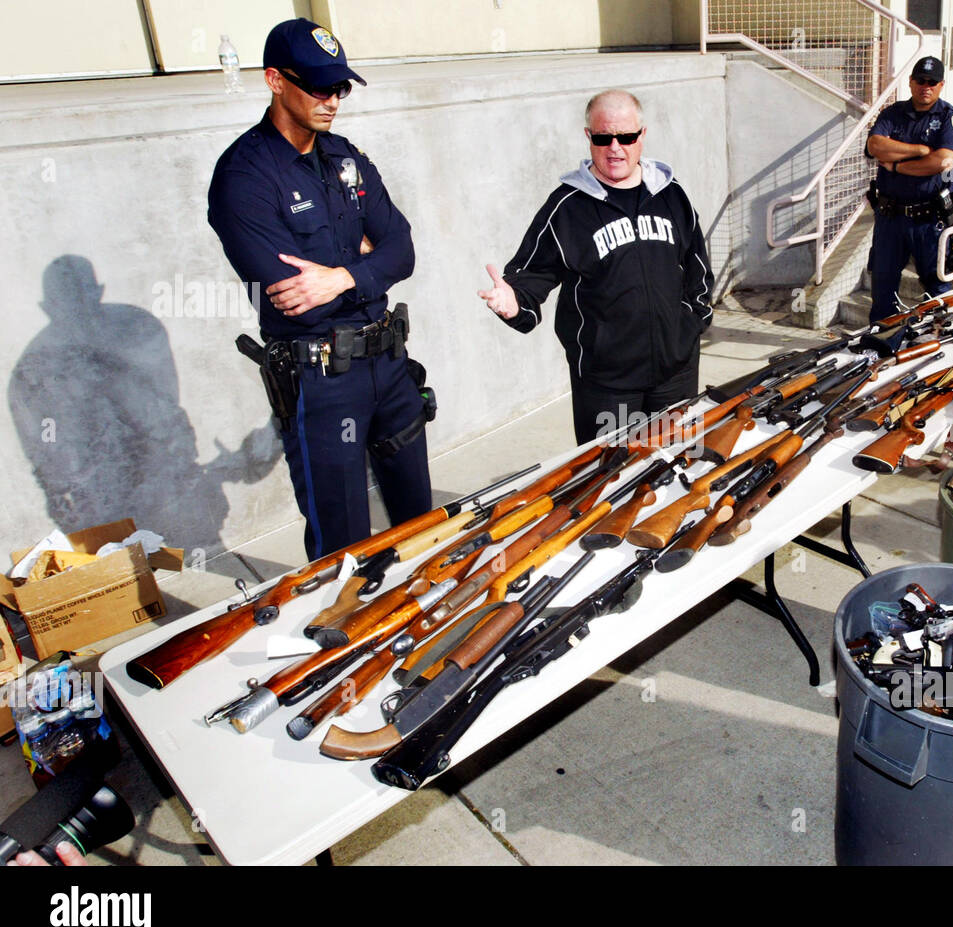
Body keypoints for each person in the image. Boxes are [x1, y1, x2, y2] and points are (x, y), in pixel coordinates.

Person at [208, 19, 434, 559]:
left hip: (390, 362)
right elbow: (291, 291)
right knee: (345, 546)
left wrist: (342, 274)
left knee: (422, 526)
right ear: (274, 80)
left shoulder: (345, 157)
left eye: (340, 88)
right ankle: (353, 638)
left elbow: (402, 247)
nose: (332, 100)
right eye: (318, 86)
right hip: (322, 377)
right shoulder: (244, 176)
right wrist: (364, 256)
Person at [478, 89, 714, 445]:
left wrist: (693, 322)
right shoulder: (567, 208)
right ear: (589, 137)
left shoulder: (671, 194)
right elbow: (531, 275)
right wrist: (513, 302)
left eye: (626, 137)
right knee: (609, 481)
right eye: (604, 138)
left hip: (676, 374)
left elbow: (697, 264)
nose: (615, 148)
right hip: (608, 384)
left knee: (677, 468)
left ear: (642, 136)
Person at [864, 56, 953, 324]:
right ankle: (880, 347)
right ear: (910, 82)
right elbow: (875, 146)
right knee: (883, 289)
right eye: (920, 80)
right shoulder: (892, 114)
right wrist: (920, 151)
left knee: (938, 291)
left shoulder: (950, 118)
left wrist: (896, 167)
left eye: (932, 82)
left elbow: (943, 161)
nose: (926, 86)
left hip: (929, 221)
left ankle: (939, 342)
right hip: (890, 218)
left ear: (941, 85)